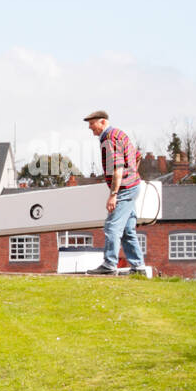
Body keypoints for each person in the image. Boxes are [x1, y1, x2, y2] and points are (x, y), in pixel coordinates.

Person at [83, 110, 147, 275]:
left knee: (112, 227)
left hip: (125, 190)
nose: (91, 129)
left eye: (92, 124)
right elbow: (137, 156)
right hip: (132, 186)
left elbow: (117, 168)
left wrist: (114, 194)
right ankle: (138, 267)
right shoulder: (119, 134)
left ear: (103, 122)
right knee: (127, 230)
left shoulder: (109, 139)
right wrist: (132, 175)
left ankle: (109, 265)